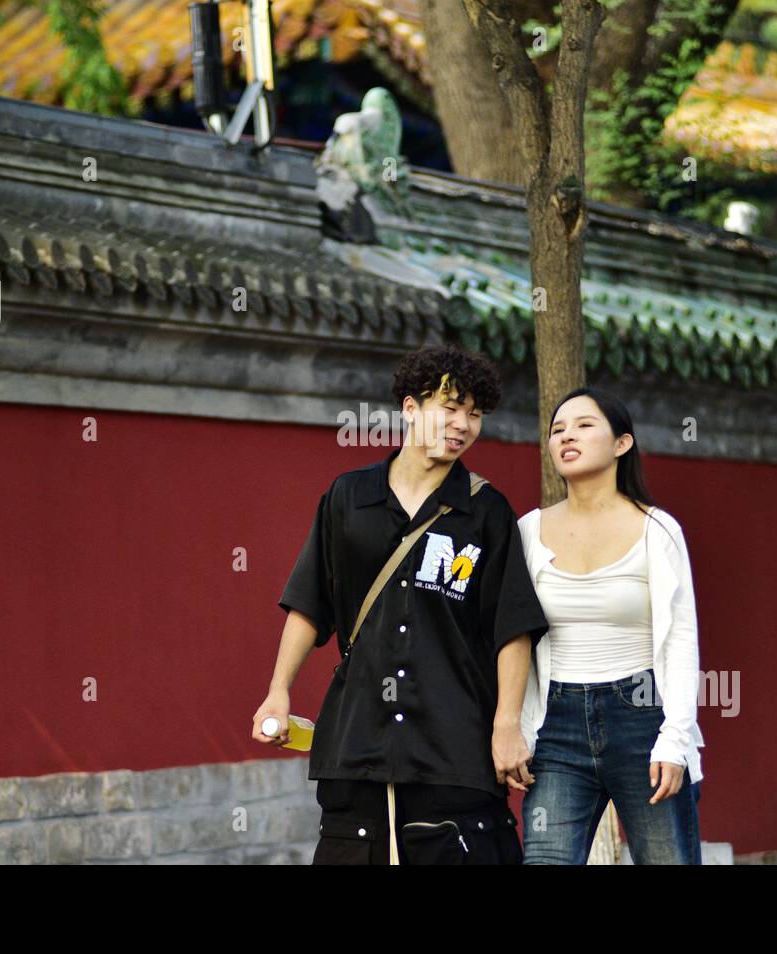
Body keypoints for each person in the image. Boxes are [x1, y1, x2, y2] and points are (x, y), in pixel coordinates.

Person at [252, 344, 549, 864]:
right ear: (410, 408)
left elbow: (512, 628)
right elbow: (309, 604)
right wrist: (278, 692)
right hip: (357, 745)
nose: (463, 424)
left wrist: (507, 725)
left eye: (475, 414)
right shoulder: (349, 497)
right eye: (450, 407)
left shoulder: (486, 512)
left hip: (454, 748)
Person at [517, 387, 704, 864]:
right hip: (556, 724)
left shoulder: (657, 530)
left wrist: (675, 739)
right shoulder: (528, 531)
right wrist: (513, 728)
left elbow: (681, 640)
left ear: (622, 443)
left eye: (583, 425)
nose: (566, 436)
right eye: (557, 429)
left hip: (643, 716)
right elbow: (513, 636)